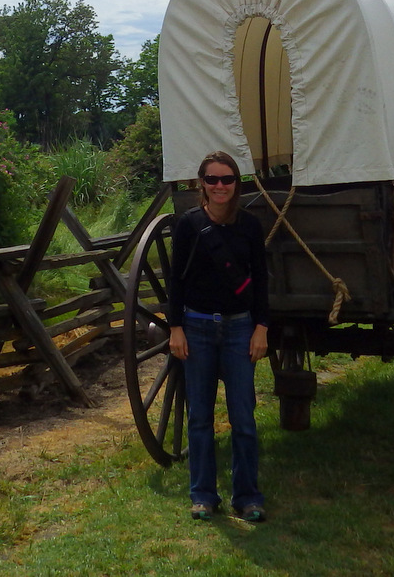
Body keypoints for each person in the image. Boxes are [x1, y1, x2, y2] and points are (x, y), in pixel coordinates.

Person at [168, 150, 269, 522]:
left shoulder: (249, 226)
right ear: (202, 185)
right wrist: (175, 327)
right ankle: (203, 495)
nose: (220, 186)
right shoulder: (189, 225)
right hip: (196, 327)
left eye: (227, 179)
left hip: (240, 327)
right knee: (200, 418)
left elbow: (260, 280)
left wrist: (262, 326)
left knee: (243, 417)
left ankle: (247, 496)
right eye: (212, 180)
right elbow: (176, 280)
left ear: (235, 184)